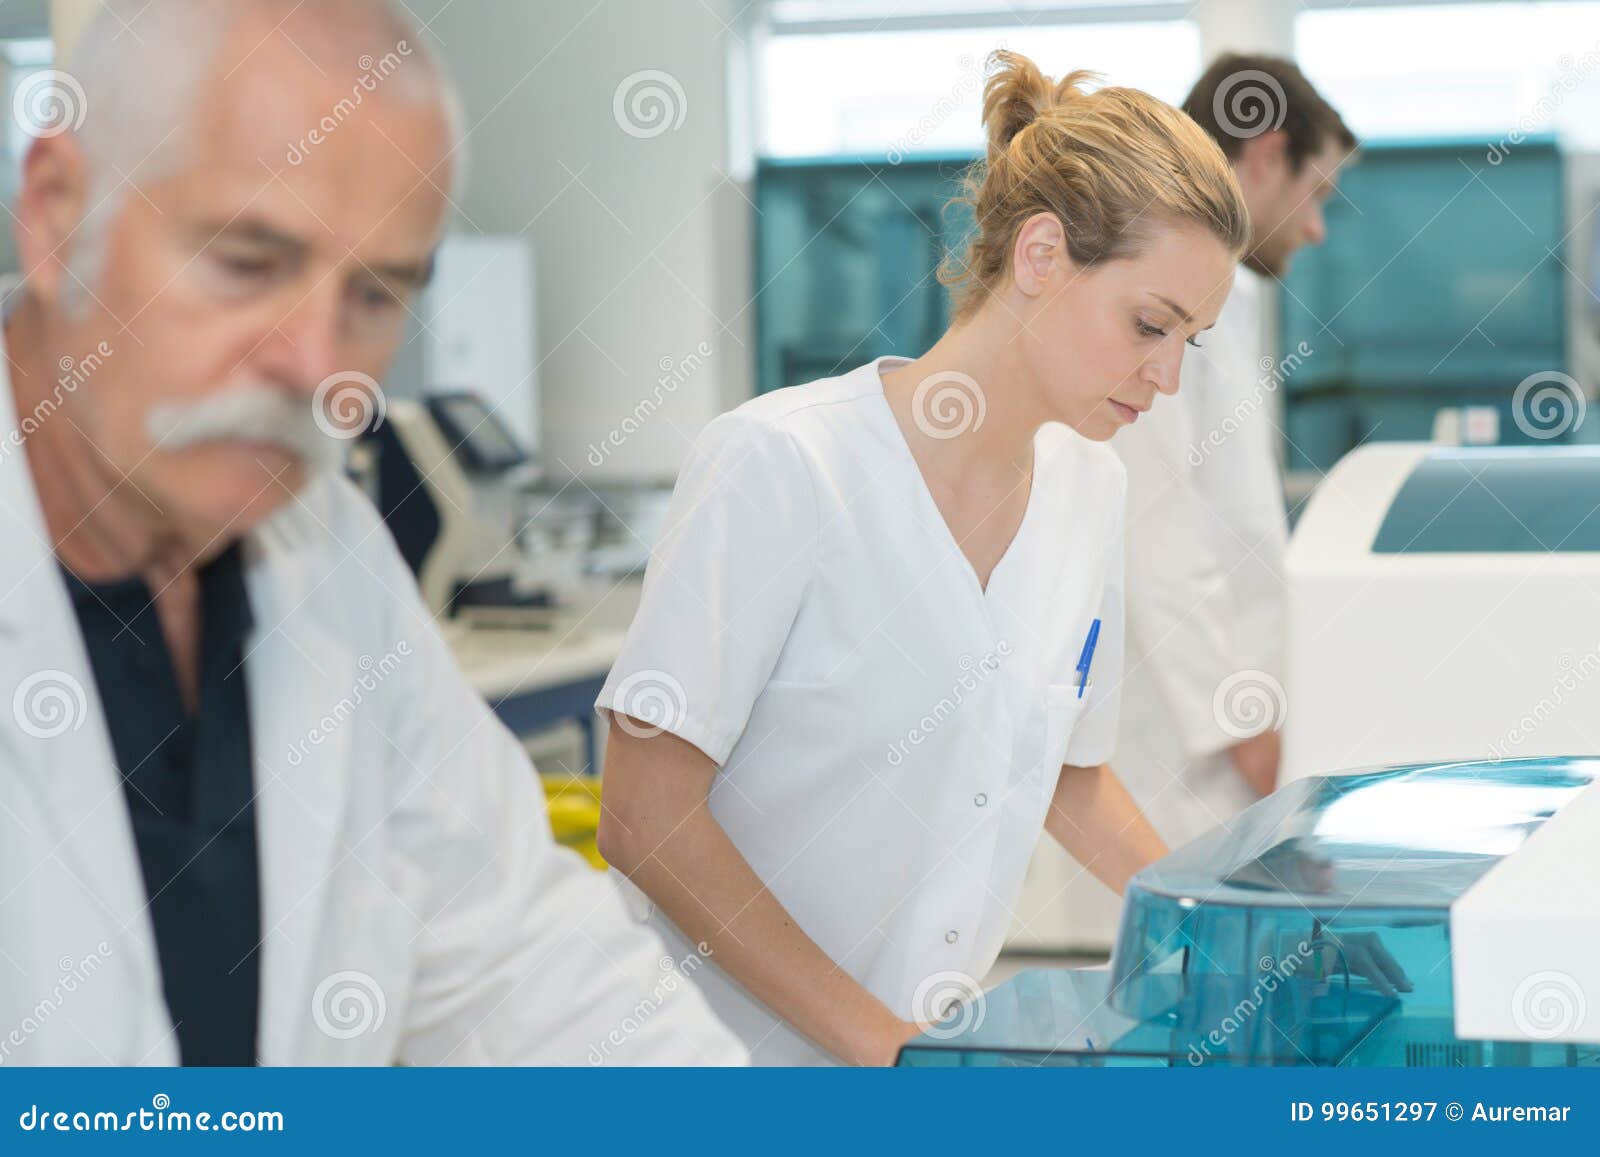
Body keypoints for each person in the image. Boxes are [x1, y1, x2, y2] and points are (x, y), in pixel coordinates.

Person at [0, 0, 742, 1066]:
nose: (317, 365)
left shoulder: (325, 550)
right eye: (247, 258)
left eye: (376, 292)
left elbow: (525, 965)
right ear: (57, 209)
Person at [596, 50, 1250, 1066]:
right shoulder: (781, 463)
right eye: (1149, 324)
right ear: (1040, 255)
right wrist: (892, 1053)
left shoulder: (1087, 489)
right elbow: (644, 816)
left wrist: (1228, 942)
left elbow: (1070, 778)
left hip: (905, 1053)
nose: (1165, 375)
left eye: (1190, 341)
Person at [1109, 55, 1358, 851]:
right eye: (1315, 191)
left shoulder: (1231, 292)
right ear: (1265, 153)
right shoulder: (1162, 284)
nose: (1316, 226)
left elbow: (1234, 511)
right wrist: (1238, 719)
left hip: (1229, 718)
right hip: (1185, 735)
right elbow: (1157, 522)